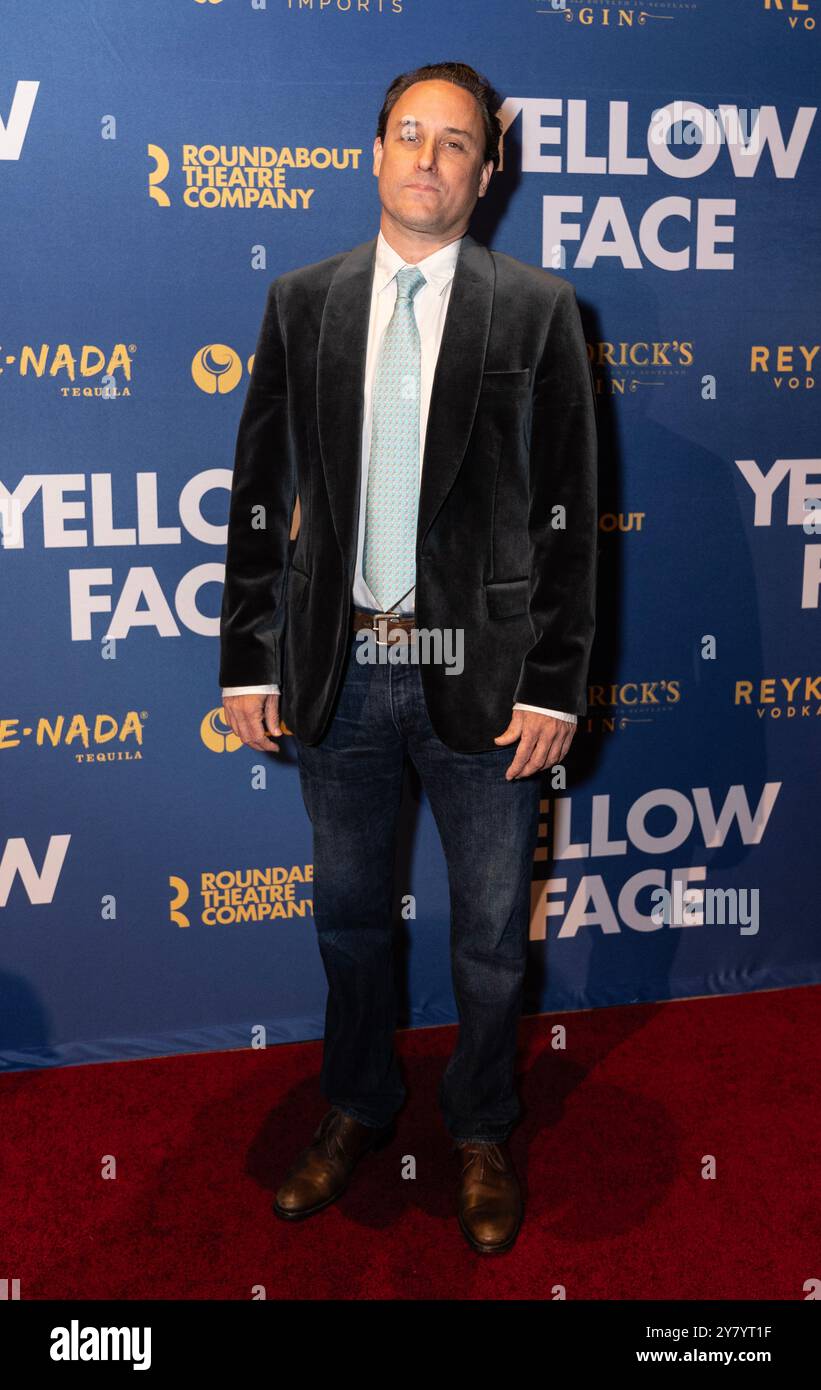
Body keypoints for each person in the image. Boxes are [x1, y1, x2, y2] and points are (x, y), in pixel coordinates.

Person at [219, 61, 598, 1254]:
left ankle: (480, 1122)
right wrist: (247, 657)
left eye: (455, 144)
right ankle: (355, 1104)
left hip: (483, 681)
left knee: (488, 933)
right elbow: (256, 495)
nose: (428, 160)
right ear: (371, 154)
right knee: (347, 921)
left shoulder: (536, 309)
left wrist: (551, 678)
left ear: (487, 173)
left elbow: (567, 516)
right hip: (339, 666)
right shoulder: (301, 303)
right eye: (408, 136)